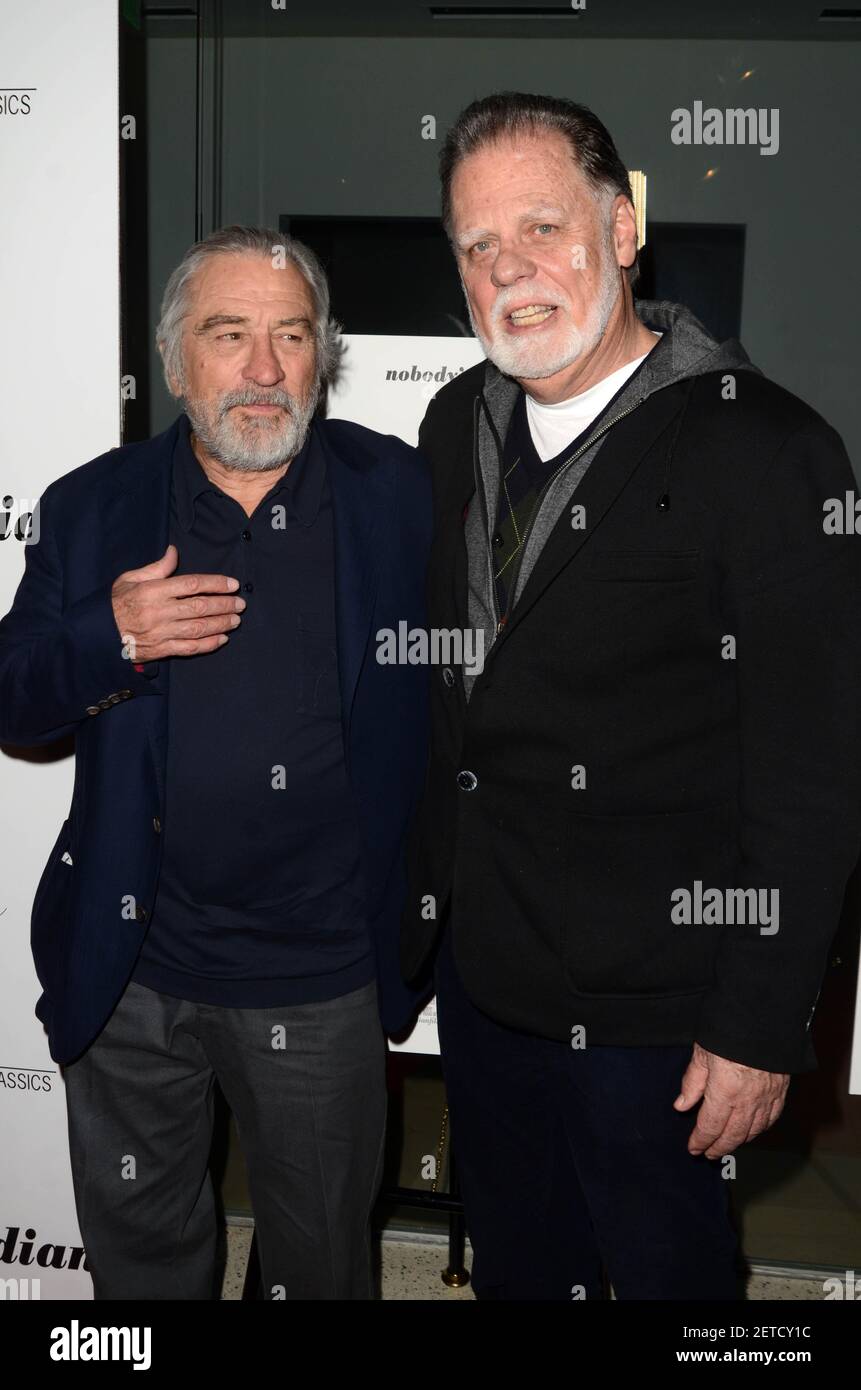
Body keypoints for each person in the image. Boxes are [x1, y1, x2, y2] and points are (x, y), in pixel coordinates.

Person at [400, 92, 861, 1300]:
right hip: (490, 983)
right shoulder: (454, 425)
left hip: (668, 1012)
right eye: (479, 245)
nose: (512, 270)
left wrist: (762, 1023)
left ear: (624, 225)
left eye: (542, 229)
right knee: (520, 1270)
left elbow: (815, 773)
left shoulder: (767, 449)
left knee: (670, 1285)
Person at [0, 225, 432, 1300]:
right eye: (229, 335)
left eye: (291, 335)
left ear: (322, 353)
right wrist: (113, 635)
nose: (265, 369)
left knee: (320, 1264)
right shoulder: (93, 506)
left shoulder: (403, 498)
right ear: (173, 355)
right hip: (134, 971)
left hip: (325, 975)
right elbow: (14, 701)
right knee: (141, 1265)